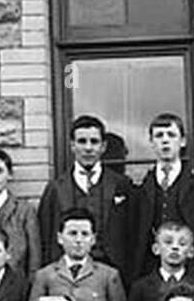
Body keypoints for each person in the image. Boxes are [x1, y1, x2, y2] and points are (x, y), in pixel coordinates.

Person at [119, 113, 194, 285]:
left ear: (183, 141)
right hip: (150, 266)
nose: (165, 141)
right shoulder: (140, 188)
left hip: (192, 266)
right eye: (159, 136)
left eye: (171, 135)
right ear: (151, 142)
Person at [36, 114, 131, 274]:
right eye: (82, 141)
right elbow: (45, 236)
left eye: (94, 141)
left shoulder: (121, 185)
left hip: (113, 272)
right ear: (72, 145)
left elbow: (132, 233)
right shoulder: (55, 188)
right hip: (67, 275)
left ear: (103, 146)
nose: (88, 148)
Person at [0, 148, 40, 280]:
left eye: (0, 171)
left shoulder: (25, 210)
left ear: (9, 174)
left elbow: (34, 257)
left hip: (15, 286)